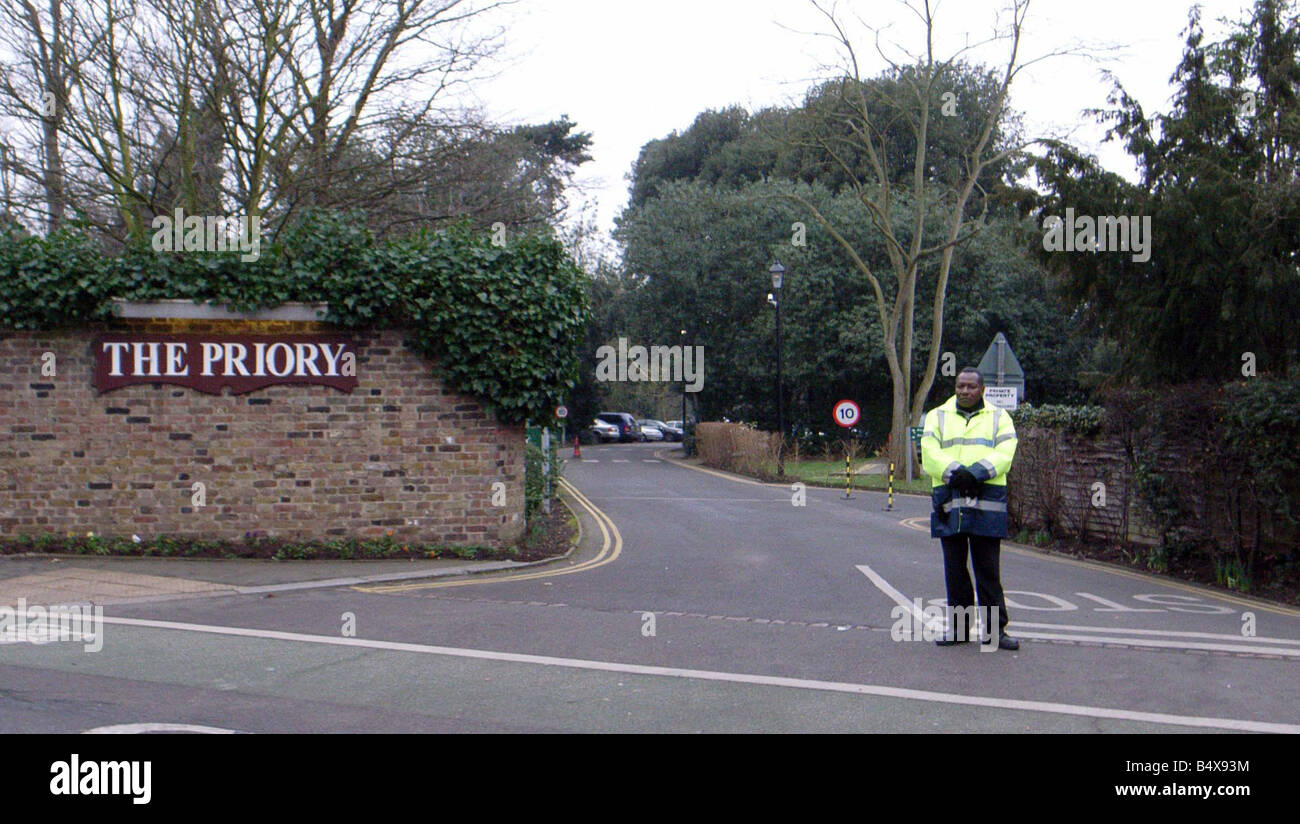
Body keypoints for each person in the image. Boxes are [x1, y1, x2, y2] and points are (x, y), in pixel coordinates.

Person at [919, 367, 1020, 650]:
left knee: (988, 571)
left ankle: (995, 632)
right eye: (960, 386)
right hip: (949, 502)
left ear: (982, 389)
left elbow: (1005, 452)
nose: (965, 391)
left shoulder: (1000, 417)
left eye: (971, 387)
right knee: (955, 571)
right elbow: (929, 451)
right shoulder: (937, 416)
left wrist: (975, 473)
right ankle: (960, 630)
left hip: (985, 499)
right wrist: (955, 473)